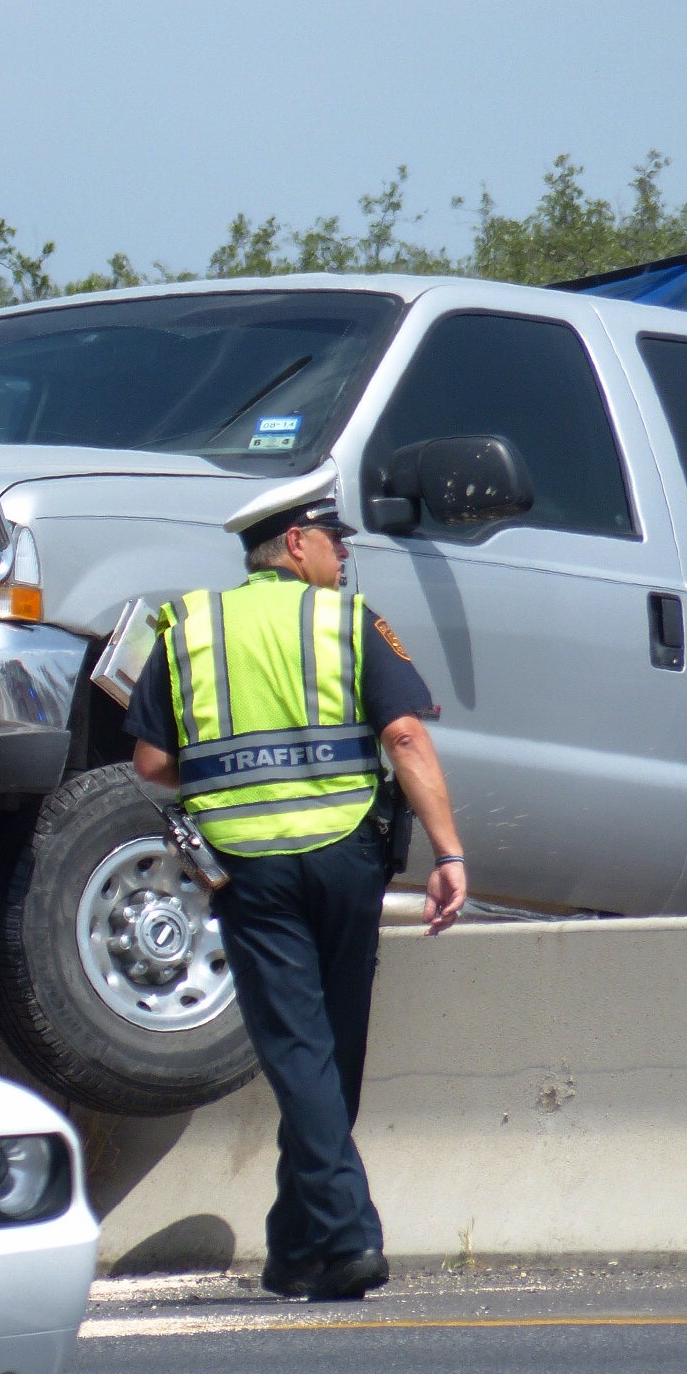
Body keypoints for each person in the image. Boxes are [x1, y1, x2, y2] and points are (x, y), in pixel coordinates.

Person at [122, 465, 467, 1301]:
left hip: (251, 868)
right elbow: (408, 738)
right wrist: (450, 853)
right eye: (336, 540)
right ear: (298, 544)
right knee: (333, 1046)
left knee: (303, 1051)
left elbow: (152, 764)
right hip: (347, 853)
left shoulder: (188, 628)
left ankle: (299, 1243)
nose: (345, 554)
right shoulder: (349, 622)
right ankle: (340, 1239)